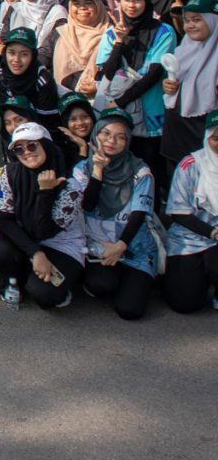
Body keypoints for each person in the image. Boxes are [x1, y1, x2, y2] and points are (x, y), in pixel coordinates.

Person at [0, 122, 86, 310]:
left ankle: (56, 285)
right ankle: (15, 280)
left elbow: (44, 231)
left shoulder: (70, 183)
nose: (26, 152)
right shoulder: (10, 173)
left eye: (32, 145)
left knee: (44, 296)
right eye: (19, 148)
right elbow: (5, 219)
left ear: (46, 145)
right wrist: (35, 252)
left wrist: (45, 192)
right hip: (29, 239)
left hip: (62, 245)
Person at [95, 0, 176, 192]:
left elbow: (154, 74)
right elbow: (107, 73)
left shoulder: (164, 31)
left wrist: (120, 102)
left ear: (147, 2)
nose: (131, 5)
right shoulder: (112, 32)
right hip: (118, 115)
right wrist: (119, 43)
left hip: (150, 114)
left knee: (150, 169)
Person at [76, 110, 160, 320]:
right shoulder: (81, 169)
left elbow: (139, 212)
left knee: (129, 310)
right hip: (100, 246)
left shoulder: (141, 171)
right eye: (105, 133)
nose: (111, 141)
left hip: (133, 246)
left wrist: (120, 246)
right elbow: (87, 205)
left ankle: (138, 280)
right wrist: (98, 170)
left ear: (128, 141)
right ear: (96, 135)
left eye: (120, 136)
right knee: (101, 285)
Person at [163, 111, 218, 313]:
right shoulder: (190, 165)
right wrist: (212, 232)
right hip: (189, 238)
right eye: (215, 138)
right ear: (207, 138)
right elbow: (178, 212)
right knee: (185, 304)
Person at [159, 0, 218, 168]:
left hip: (204, 136)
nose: (190, 25)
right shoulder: (182, 50)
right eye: (187, 20)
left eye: (197, 19)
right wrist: (167, 85)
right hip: (176, 134)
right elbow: (175, 83)